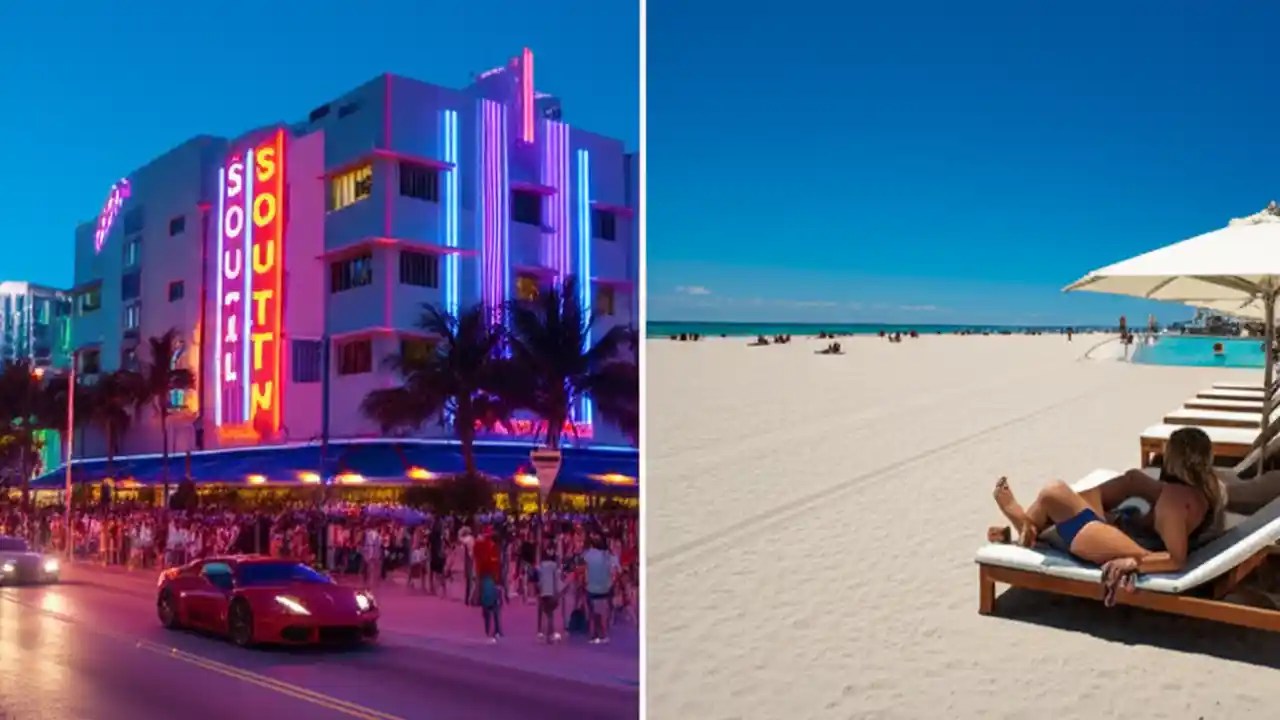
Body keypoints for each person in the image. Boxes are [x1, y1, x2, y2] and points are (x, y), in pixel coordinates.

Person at [991, 426, 1224, 606]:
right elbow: (1162, 502)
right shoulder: (1209, 488)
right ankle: (1030, 527)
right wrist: (1134, 485)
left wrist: (1134, 563)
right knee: (1131, 479)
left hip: (1140, 553)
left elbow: (1176, 559)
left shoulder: (1174, 502)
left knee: (1054, 492)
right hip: (1137, 537)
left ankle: (1022, 520)